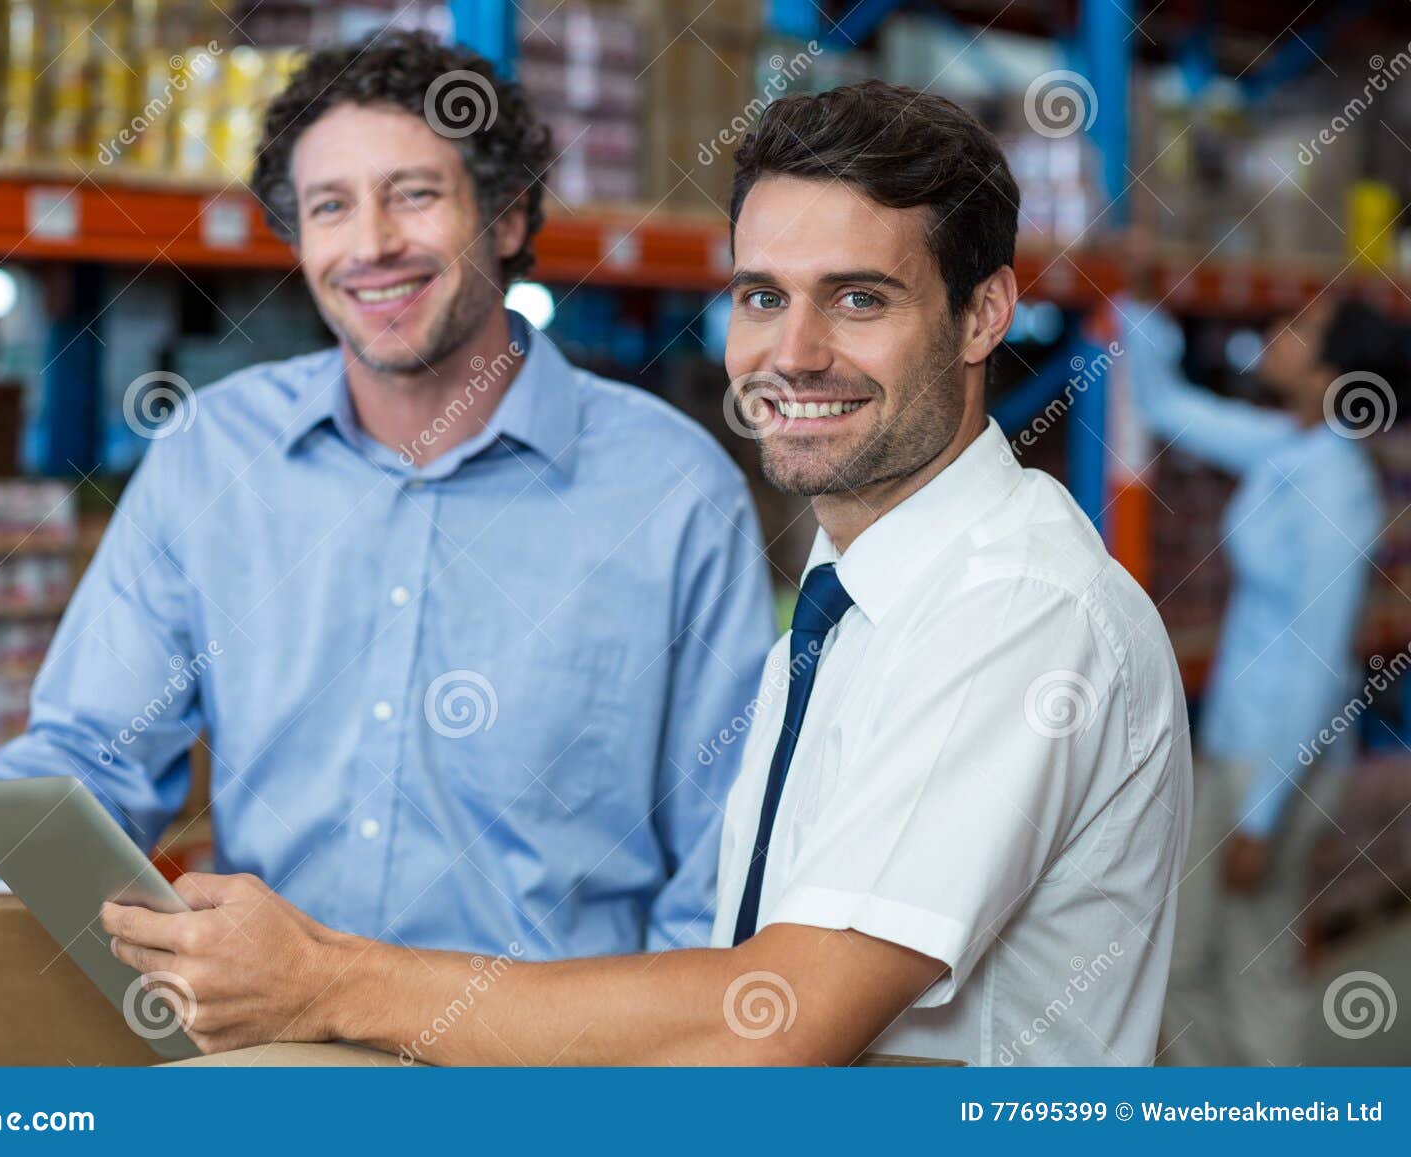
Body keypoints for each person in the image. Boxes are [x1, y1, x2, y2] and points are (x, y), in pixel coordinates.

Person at [101, 78, 1192, 1066]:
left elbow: (778, 1013)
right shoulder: (855, 596)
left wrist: (330, 980)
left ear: (983, 313)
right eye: (762, 296)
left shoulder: (1012, 611)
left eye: (859, 298)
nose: (794, 352)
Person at [0, 32, 777, 961]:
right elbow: (97, 752)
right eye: (330, 207)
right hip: (271, 1059)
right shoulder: (212, 457)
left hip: (544, 1083)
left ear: (511, 217)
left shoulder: (671, 493)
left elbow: (717, 867)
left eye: (414, 196)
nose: (371, 244)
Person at [1118, 293, 1397, 1065]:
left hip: (1280, 763)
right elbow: (1166, 404)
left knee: (1248, 963)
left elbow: (1316, 662)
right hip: (1244, 748)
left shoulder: (1335, 486)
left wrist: (1261, 818)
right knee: (1192, 959)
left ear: (1330, 374)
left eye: (1302, 330)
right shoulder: (1290, 446)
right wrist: (1132, 305)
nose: (1279, 333)